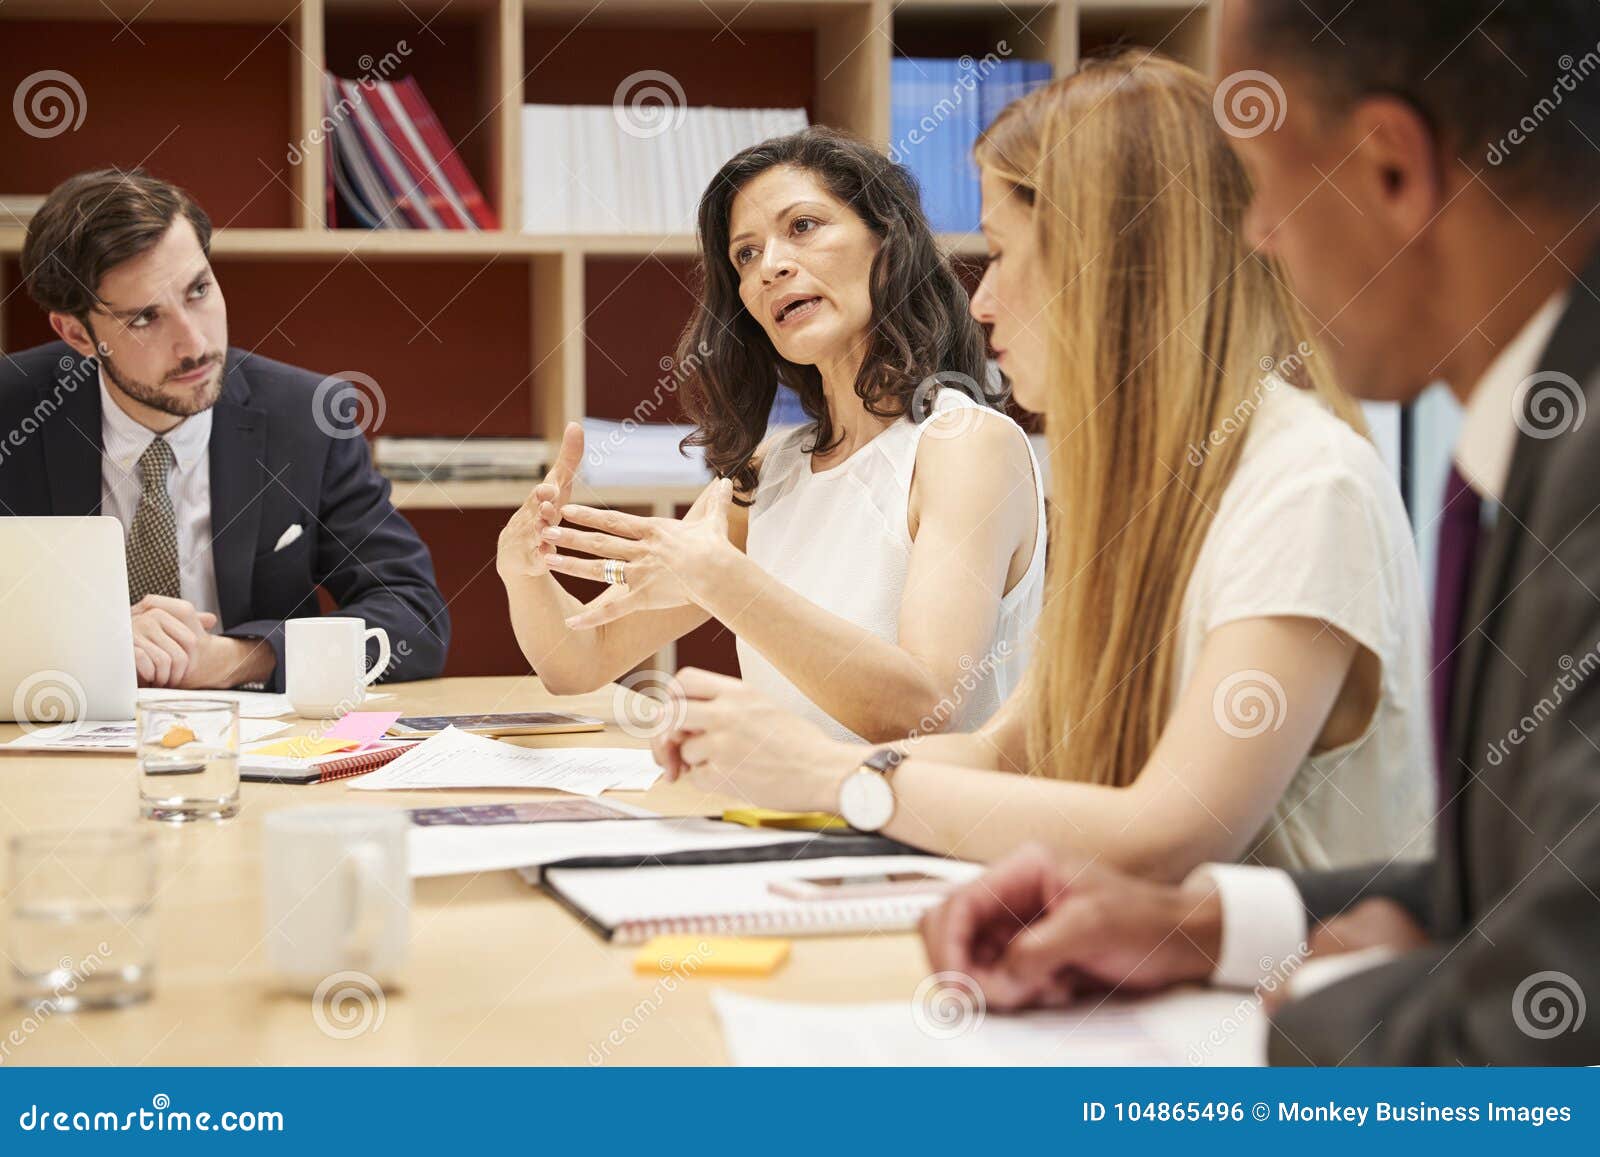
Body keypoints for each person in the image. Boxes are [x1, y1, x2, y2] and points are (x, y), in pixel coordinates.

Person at [923, 0, 1600, 1066]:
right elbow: (1515, 895)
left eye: (1272, 190)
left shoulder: (1543, 459)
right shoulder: (1533, 430)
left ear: (1389, 171)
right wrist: (1198, 927)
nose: (1255, 238)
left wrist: (1310, 994)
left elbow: (1545, 1021)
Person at [646, 53, 1433, 879]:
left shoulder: (1306, 484)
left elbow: (1171, 829)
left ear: (1118, 261)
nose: (980, 300)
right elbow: (1000, 756)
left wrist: (824, 774)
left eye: (1004, 253)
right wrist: (774, 764)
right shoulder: (1145, 493)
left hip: (1294, 997)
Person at [497, 127, 1044, 744]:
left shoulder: (965, 443)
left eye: (803, 226)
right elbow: (581, 660)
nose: (771, 267)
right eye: (745, 255)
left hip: (927, 833)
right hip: (790, 821)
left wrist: (722, 578)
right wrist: (524, 572)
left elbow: (923, 709)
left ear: (887, 244)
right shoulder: (767, 474)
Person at [0, 168, 450, 692]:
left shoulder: (306, 418)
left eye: (198, 290)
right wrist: (88, 641)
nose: (194, 345)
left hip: (252, 748)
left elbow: (414, 617)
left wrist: (241, 658)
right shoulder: (13, 412)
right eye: (145, 318)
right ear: (77, 333)